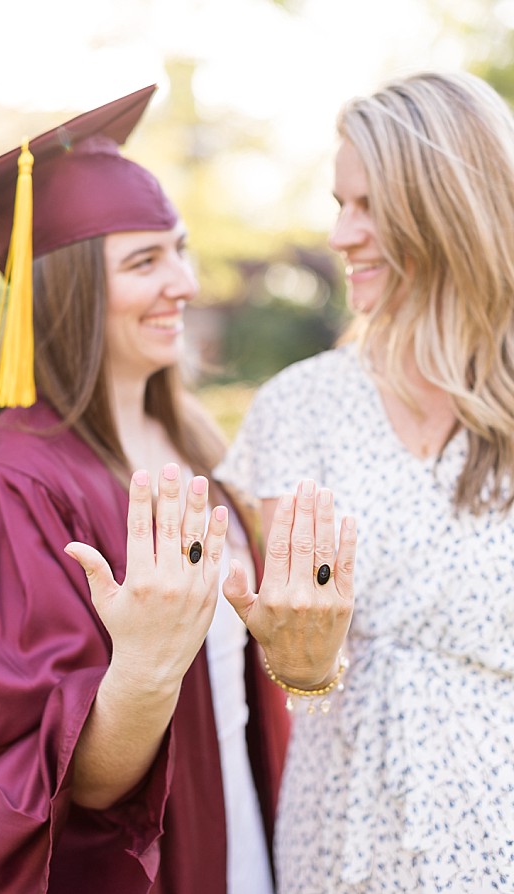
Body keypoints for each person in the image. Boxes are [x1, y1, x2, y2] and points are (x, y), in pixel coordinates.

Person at [0, 86, 356, 894]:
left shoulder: (193, 441)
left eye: (180, 250)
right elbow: (58, 782)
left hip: (237, 821)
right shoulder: (13, 484)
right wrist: (149, 663)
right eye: (144, 262)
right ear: (71, 288)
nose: (184, 283)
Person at [218, 70, 514, 893]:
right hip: (343, 834)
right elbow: (300, 665)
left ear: (451, 209)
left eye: (369, 206)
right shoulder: (301, 407)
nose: (340, 235)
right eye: (338, 204)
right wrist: (305, 665)